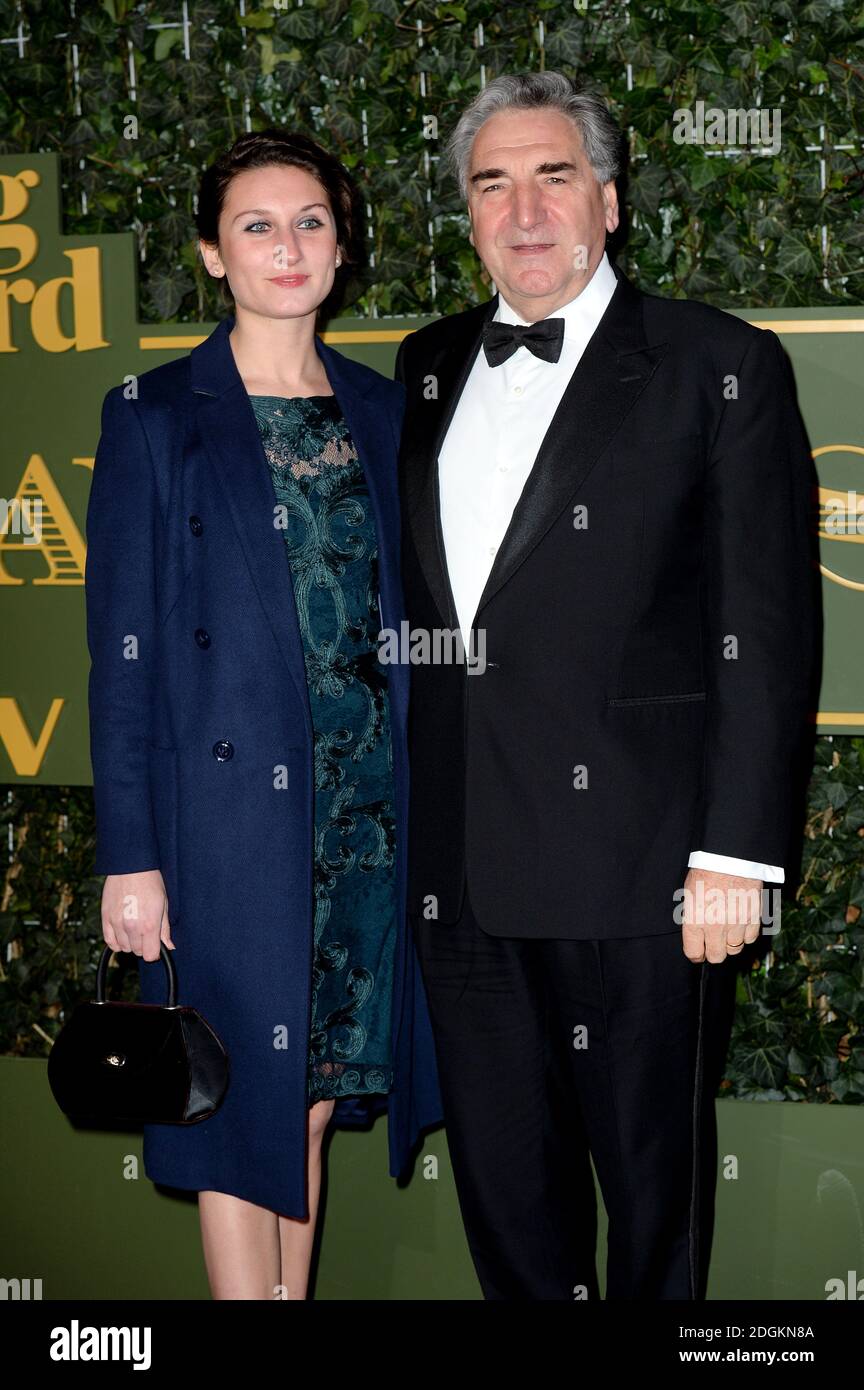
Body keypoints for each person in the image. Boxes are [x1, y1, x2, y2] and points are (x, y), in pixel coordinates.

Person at [395, 72, 818, 1300]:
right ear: (468, 213)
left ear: (611, 199)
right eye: (493, 183)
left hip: (643, 871)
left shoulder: (717, 363)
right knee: (510, 1213)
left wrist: (734, 855)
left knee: (655, 1214)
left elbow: (767, 624)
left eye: (555, 176)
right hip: (463, 873)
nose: (525, 211)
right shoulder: (424, 369)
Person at [85, 127, 441, 1300]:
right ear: (212, 254)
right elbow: (121, 658)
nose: (287, 247)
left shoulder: (388, 417)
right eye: (257, 225)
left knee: (313, 1092)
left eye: (310, 223)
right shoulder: (152, 414)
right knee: (236, 1092)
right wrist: (131, 861)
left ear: (340, 250)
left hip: (362, 817)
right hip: (225, 824)